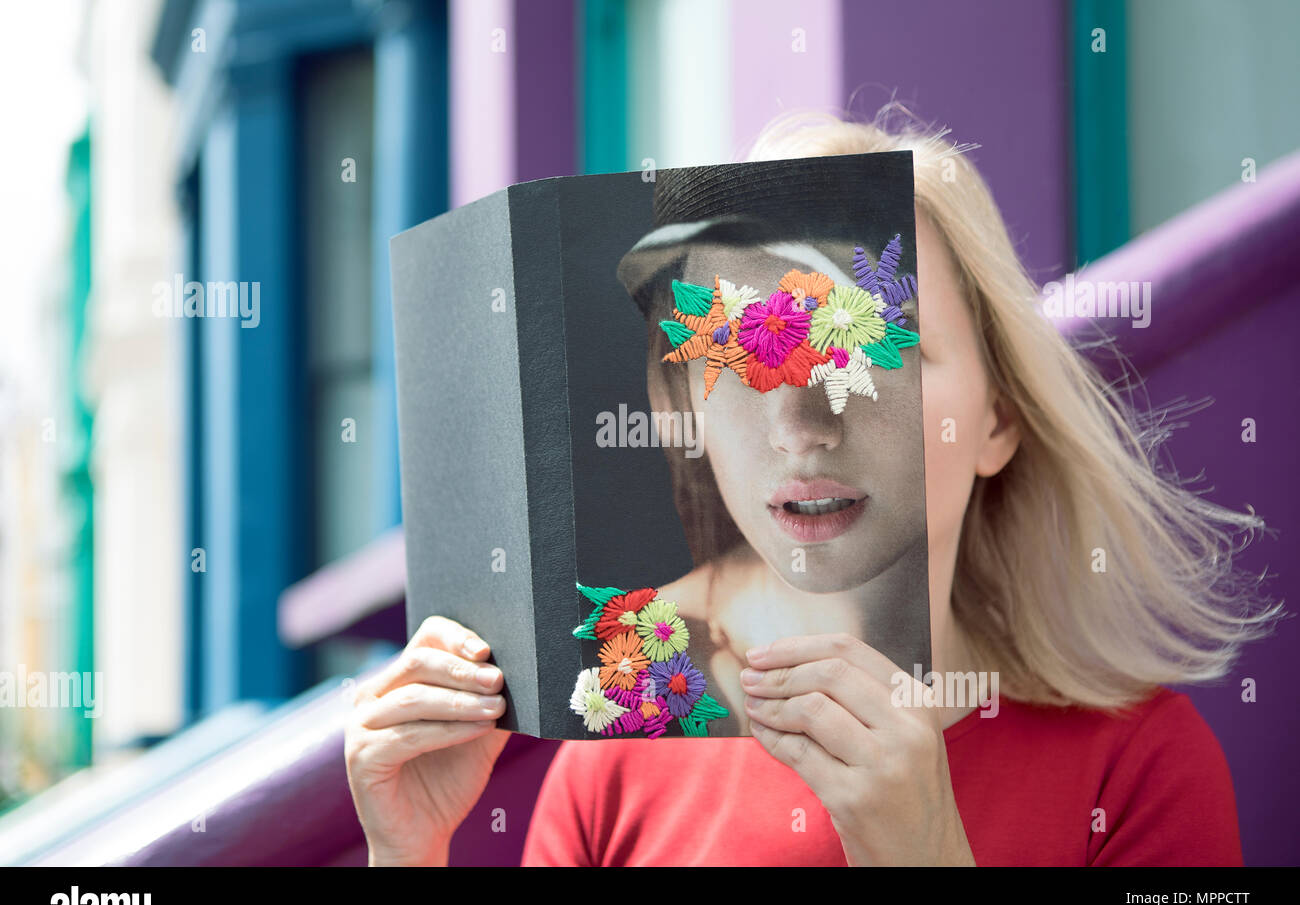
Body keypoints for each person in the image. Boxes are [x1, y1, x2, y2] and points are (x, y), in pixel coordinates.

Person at [344, 105, 1285, 866]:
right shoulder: (619, 750)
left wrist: (924, 854)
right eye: (740, 353)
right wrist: (410, 851)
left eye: (872, 345)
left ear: (998, 417)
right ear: (678, 401)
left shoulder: (1143, 766)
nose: (801, 424)